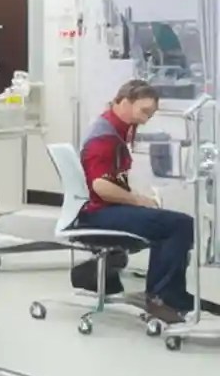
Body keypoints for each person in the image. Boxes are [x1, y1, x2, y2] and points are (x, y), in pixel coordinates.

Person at [75, 79, 212, 322]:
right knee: (179, 225)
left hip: (102, 208)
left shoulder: (115, 128)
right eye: (144, 112)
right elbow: (101, 185)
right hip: (98, 212)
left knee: (170, 222)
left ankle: (167, 293)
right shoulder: (104, 138)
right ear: (125, 102)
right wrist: (137, 200)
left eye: (151, 114)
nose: (146, 119)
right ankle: (164, 297)